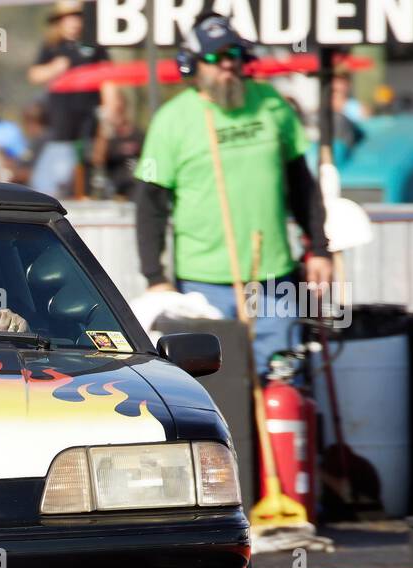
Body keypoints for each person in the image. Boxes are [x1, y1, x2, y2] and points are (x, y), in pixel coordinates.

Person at [133, 14, 332, 375]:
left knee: (281, 380)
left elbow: (301, 183)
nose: (226, 65)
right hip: (204, 281)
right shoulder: (172, 119)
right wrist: (154, 277)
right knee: (221, 388)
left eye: (233, 55)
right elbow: (150, 206)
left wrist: (319, 247)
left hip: (274, 278)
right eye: (213, 58)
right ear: (193, 64)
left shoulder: (271, 104)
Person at [27, 0, 116, 198]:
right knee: (55, 176)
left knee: (91, 166)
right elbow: (34, 75)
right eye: (69, 18)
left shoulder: (94, 46)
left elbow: (108, 78)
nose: (74, 22)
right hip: (62, 126)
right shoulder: (52, 47)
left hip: (90, 123)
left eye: (77, 17)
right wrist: (55, 68)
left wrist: (110, 108)